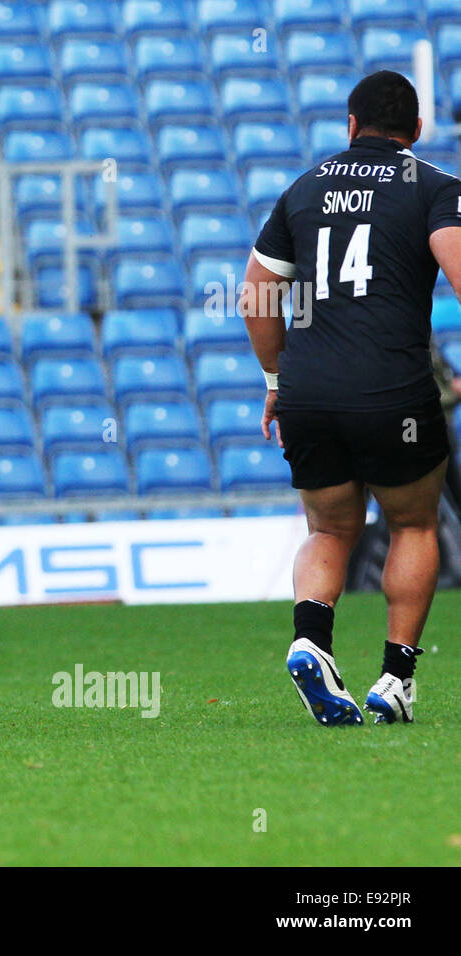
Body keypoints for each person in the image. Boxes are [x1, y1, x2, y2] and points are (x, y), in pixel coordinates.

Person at [240, 71, 461, 726]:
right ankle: (395, 680)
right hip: (394, 388)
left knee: (330, 527)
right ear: (416, 131)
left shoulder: (303, 190)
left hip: (309, 390)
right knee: (413, 524)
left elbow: (254, 295)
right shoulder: (434, 189)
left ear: (349, 125)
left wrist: (277, 379)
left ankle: (312, 640)